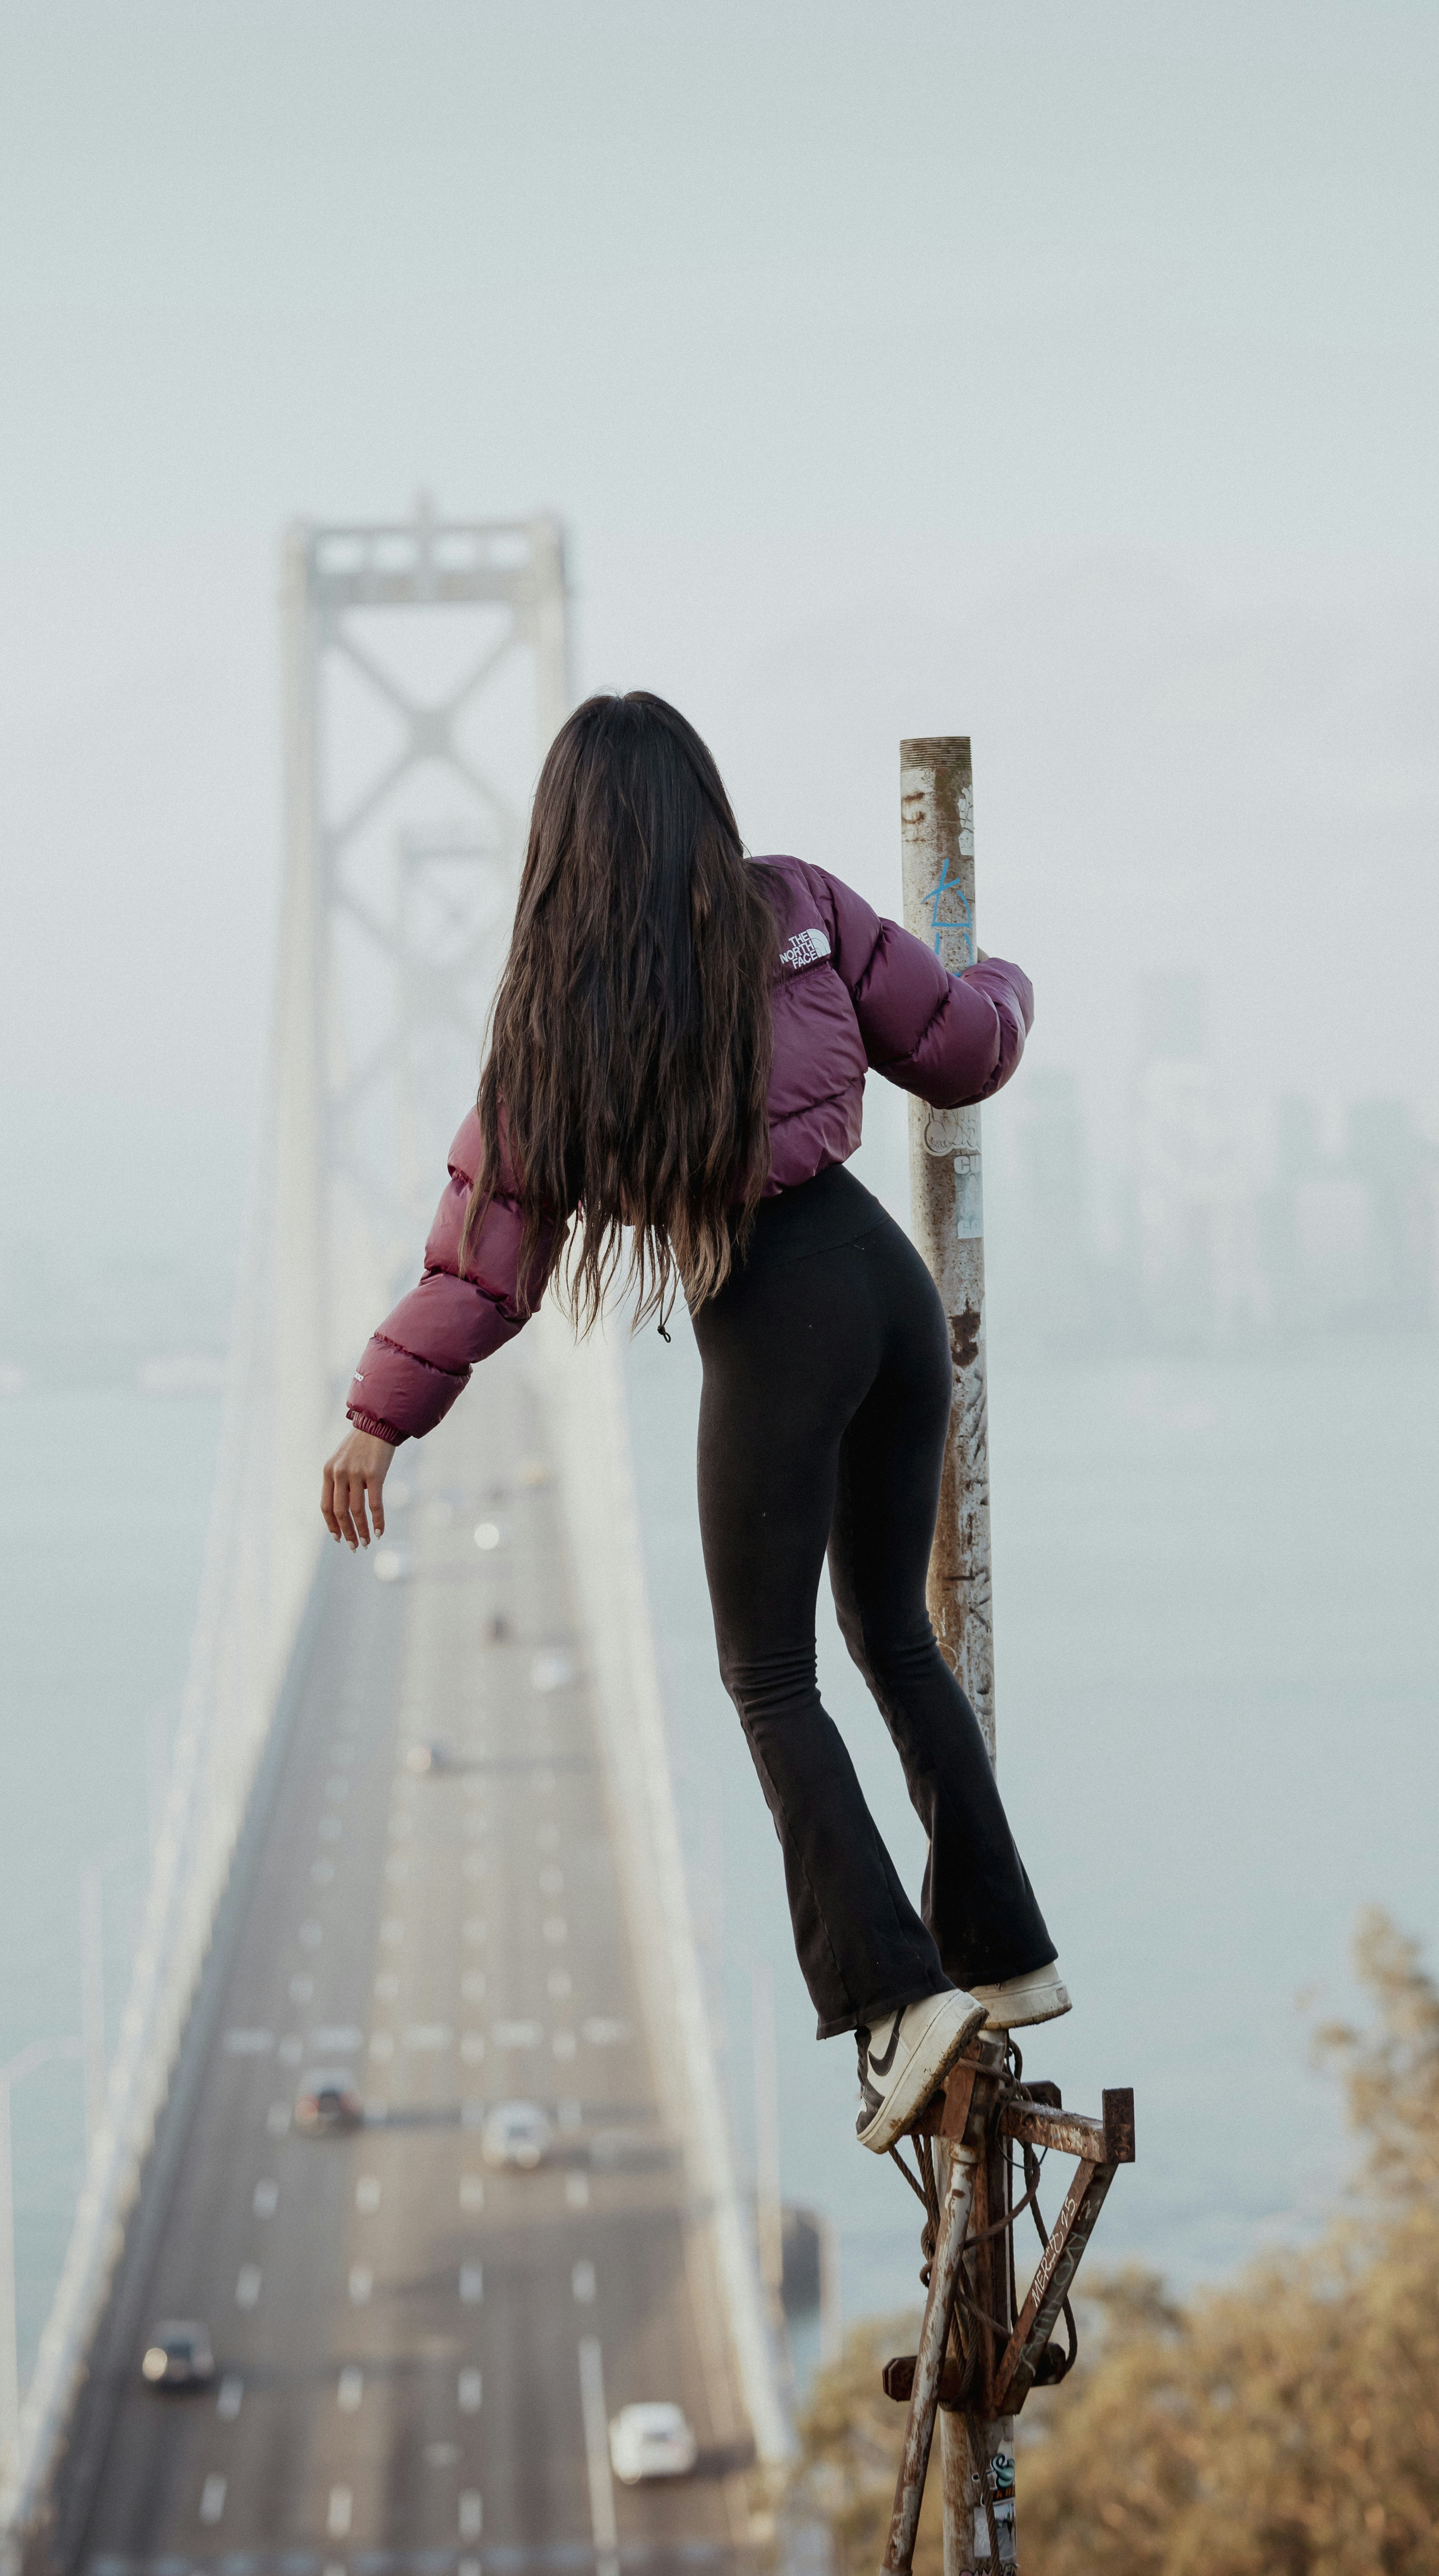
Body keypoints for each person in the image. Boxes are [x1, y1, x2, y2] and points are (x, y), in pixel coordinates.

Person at [319, 692, 1067, 2153]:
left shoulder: (558, 1024)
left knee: (769, 1679)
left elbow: (482, 1267)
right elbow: (966, 1047)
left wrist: (377, 1420)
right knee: (895, 1638)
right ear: (702, 804)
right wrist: (1009, 980)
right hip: (890, 1292)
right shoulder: (800, 907)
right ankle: (1009, 1954)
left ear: (560, 844)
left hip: (778, 1329)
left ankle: (899, 1997)